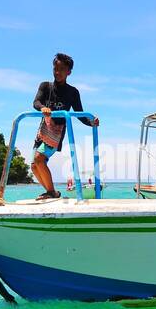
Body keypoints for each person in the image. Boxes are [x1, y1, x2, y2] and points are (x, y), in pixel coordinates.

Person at [31, 52, 97, 199]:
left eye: (61, 69)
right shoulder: (45, 86)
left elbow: (80, 114)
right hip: (42, 130)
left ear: (69, 72)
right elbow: (36, 102)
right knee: (34, 166)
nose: (57, 72)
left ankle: (50, 192)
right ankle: (52, 192)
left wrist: (91, 123)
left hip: (57, 132)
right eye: (55, 68)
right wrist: (42, 108)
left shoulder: (73, 92)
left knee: (39, 158)